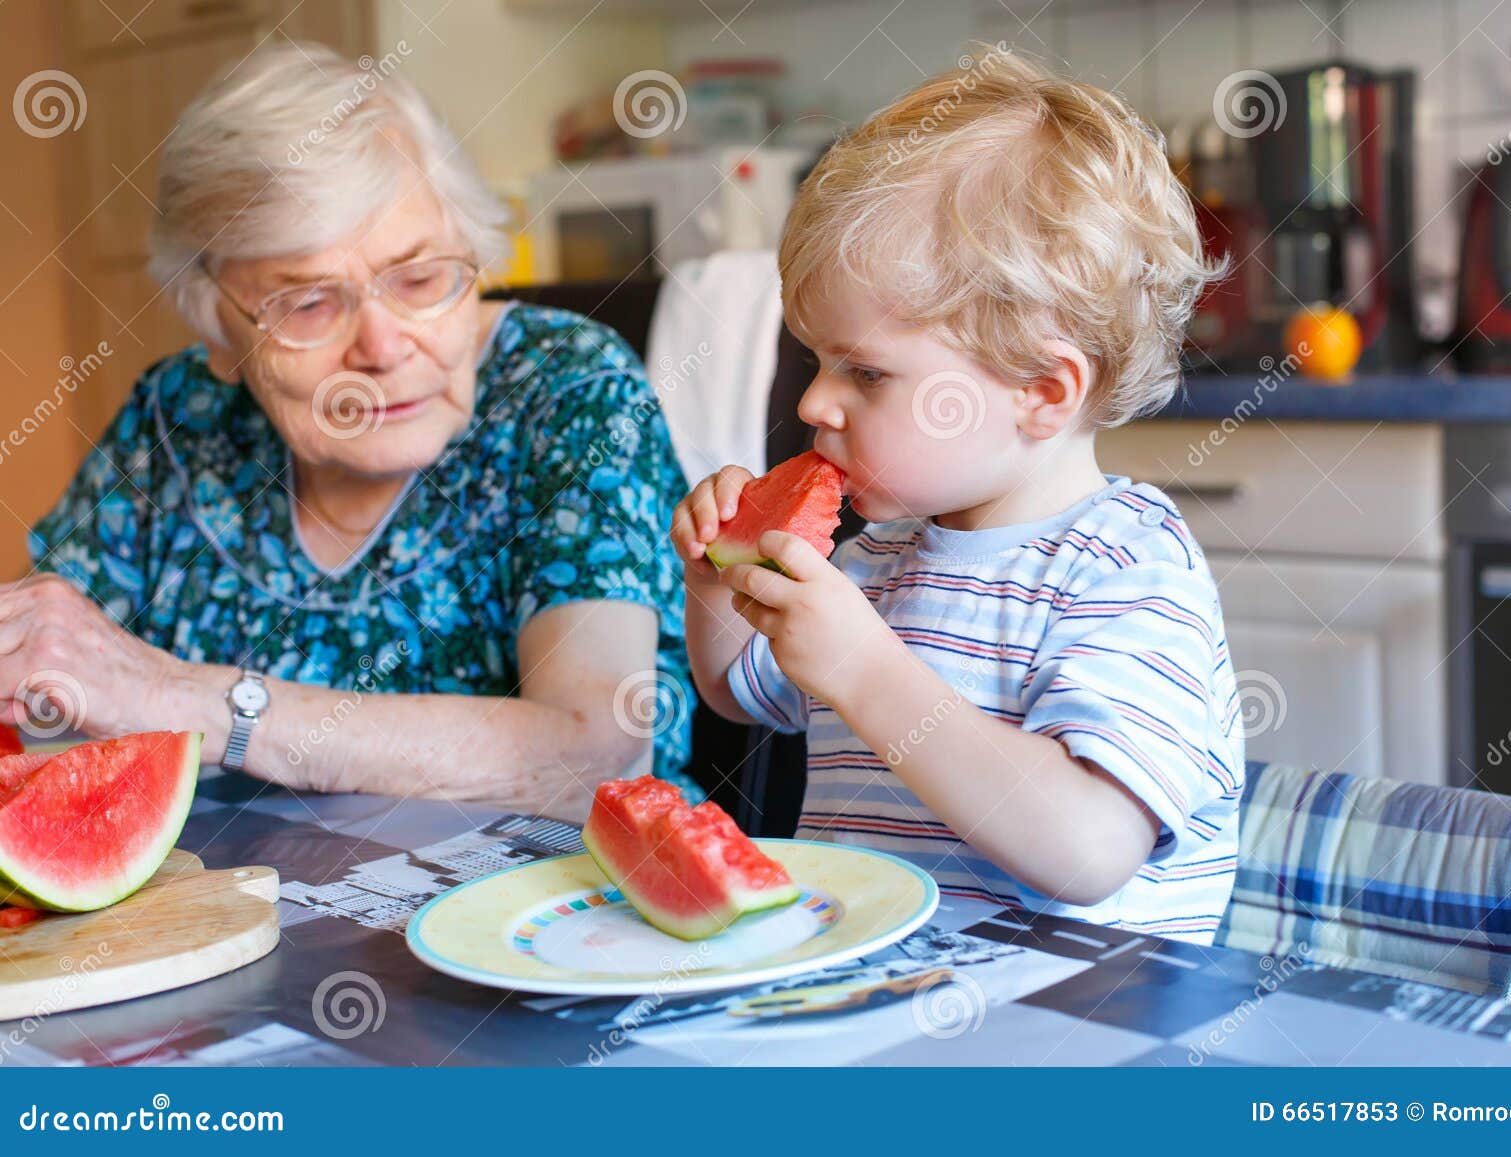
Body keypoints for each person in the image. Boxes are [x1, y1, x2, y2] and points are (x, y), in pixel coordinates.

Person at [8, 43, 698, 819]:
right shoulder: (177, 415)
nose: (382, 346)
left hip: (537, 923)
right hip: (227, 919)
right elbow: (49, 694)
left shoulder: (570, 389)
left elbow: (591, 753)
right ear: (220, 333)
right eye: (308, 304)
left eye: (420, 278)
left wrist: (190, 700)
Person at [670, 49, 1243, 942]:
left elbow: (1089, 849)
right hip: (875, 999)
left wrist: (867, 669)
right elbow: (742, 693)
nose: (813, 402)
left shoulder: (1128, 568)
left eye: (865, 372)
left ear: (1042, 393)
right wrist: (716, 588)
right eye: (817, 360)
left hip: (1075, 1025)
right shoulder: (874, 556)